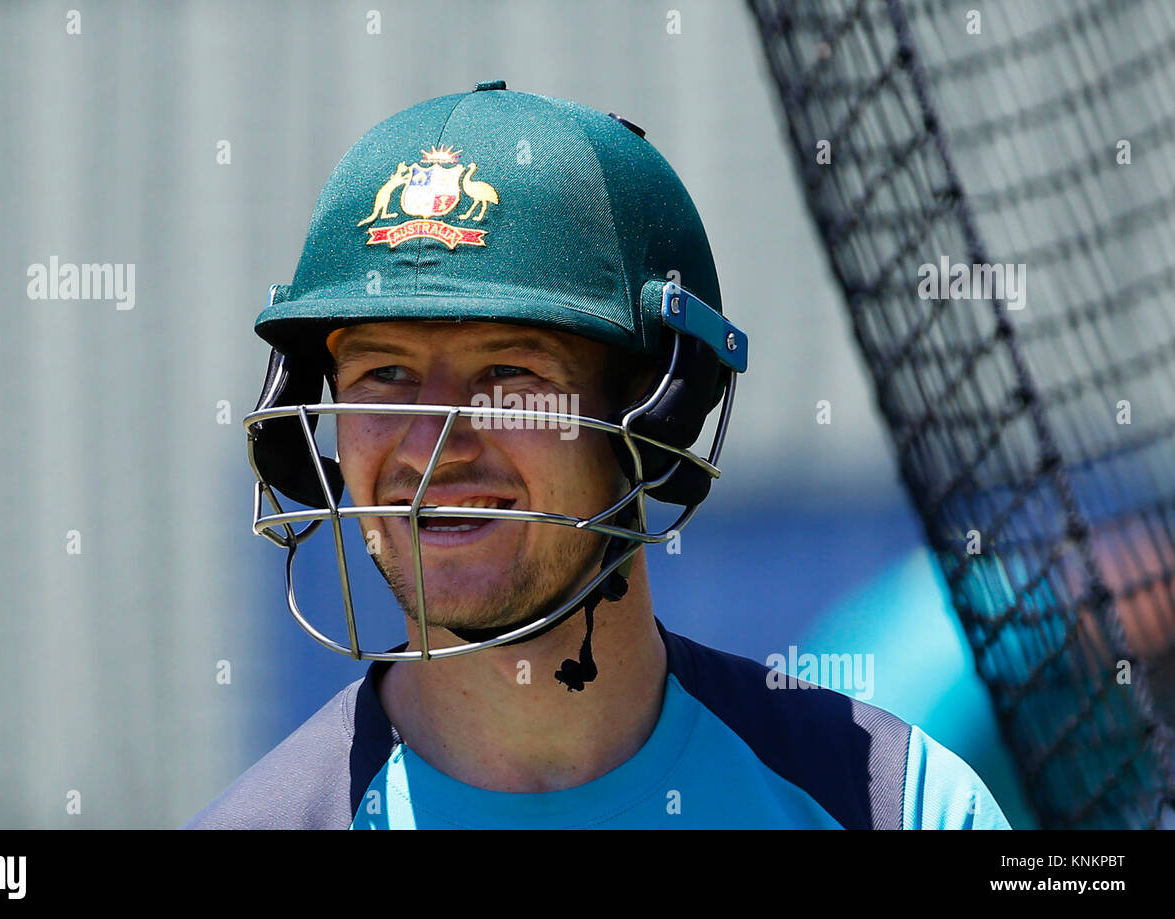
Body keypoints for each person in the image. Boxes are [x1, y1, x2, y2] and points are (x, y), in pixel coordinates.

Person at [184, 80, 1011, 829]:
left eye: (508, 372)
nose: (433, 447)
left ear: (659, 411)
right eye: (385, 373)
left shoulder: (892, 802)